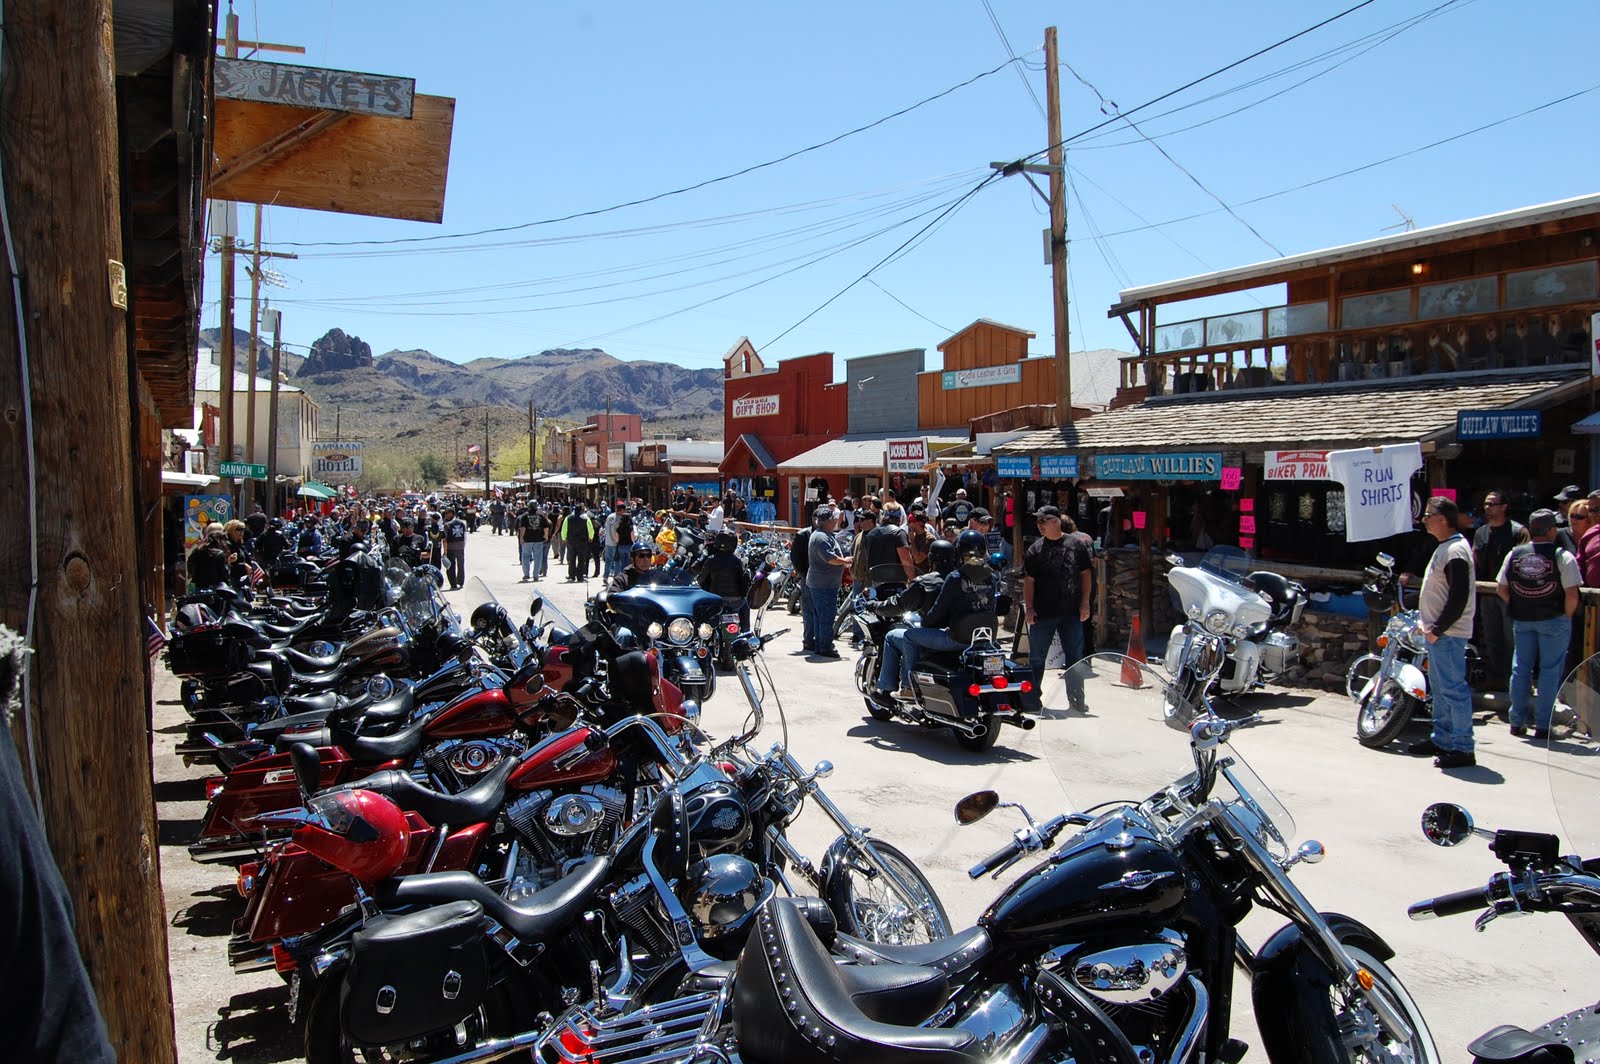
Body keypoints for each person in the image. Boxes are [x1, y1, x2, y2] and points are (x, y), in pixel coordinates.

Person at [880, 531, 998, 705]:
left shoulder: (956, 577)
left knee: (909, 636)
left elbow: (939, 610)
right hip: (983, 639)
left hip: (955, 638)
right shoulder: (992, 577)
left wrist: (926, 624)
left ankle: (907, 688)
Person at [1498, 509, 1581, 740]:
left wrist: (1520, 604)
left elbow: (1501, 589)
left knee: (1520, 670)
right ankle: (1543, 726)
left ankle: (1516, 722)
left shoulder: (1514, 554)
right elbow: (1572, 594)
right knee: (1549, 673)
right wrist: (1566, 616)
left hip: (1523, 619)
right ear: (1552, 530)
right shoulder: (1562, 556)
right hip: (1554, 619)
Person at [1410, 496, 1478, 768]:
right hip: (1439, 633)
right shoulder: (1446, 547)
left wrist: (1438, 628)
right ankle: (1443, 739)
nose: (1424, 519)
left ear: (1442, 519)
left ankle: (1463, 747)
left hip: (1448, 633)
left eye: (1428, 515)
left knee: (1452, 690)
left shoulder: (1456, 550)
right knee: (1440, 688)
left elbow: (1459, 596)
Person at [1023, 506, 1093, 710]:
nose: (1039, 525)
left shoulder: (1075, 545)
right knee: (1037, 658)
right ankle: (1033, 698)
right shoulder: (1035, 549)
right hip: (1043, 612)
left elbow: (1086, 574)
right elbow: (1029, 581)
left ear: (1056, 521)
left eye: (1043, 521)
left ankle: (1077, 700)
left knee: (1075, 657)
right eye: (1038, 522)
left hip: (1071, 611)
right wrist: (1029, 608)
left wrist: (1086, 602)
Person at [872, 539, 959, 700]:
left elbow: (898, 603)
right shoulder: (961, 580)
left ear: (932, 559)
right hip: (961, 635)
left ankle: (897, 688)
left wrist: (874, 606)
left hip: (939, 637)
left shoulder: (926, 582)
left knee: (894, 637)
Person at [1472, 490, 1528, 691]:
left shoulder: (1518, 531)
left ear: (1504, 506)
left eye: (1493, 504)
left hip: (1510, 594)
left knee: (1512, 638)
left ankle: (1520, 680)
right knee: (1492, 637)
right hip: (1487, 593)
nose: (1488, 508)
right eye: (1486, 504)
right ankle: (1498, 677)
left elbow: (1523, 563)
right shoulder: (1481, 532)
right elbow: (1475, 560)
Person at [803, 506, 851, 658]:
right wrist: (846, 561)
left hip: (823, 583)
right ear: (827, 521)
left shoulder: (823, 534)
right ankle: (825, 646)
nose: (836, 521)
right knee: (825, 617)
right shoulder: (821, 537)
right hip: (823, 584)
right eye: (833, 519)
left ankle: (821, 644)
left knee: (820, 616)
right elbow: (830, 558)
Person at [698, 529, 752, 631]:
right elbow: (744, 580)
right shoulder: (737, 561)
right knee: (745, 604)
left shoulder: (711, 559)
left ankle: (704, 632)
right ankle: (746, 632)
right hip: (736, 601)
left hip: (717, 600)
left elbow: (701, 578)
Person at [862, 505, 915, 590]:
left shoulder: (871, 534)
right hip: (895, 583)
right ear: (898, 517)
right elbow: (906, 560)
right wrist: (913, 582)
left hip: (875, 581)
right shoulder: (899, 533)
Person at [186, 525, 232, 590]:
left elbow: (190, 564)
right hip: (215, 587)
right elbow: (225, 573)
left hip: (199, 586)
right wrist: (228, 562)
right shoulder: (219, 554)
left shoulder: (197, 550)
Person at [562, 505, 595, 583]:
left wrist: (564, 538)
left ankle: (572, 576)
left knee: (571, 559)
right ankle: (580, 577)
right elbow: (590, 529)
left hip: (571, 541)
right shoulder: (586, 518)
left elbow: (564, 529)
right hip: (582, 542)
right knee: (581, 559)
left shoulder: (568, 518)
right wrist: (591, 537)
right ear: (581, 510)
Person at [518, 503, 551, 582]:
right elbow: (546, 527)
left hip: (527, 539)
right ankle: (536, 575)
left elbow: (523, 528)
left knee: (525, 556)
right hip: (538, 539)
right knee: (538, 557)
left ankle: (526, 574)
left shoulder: (525, 516)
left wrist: (521, 537)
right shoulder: (541, 515)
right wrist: (546, 536)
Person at [441, 506, 468, 589]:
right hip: (460, 547)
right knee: (461, 565)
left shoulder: (447, 525)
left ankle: (453, 584)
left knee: (450, 566)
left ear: (452, 513)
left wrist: (445, 551)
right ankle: (460, 582)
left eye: (447, 513)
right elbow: (465, 536)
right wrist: (463, 546)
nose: (446, 515)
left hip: (451, 547)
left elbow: (444, 539)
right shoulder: (462, 523)